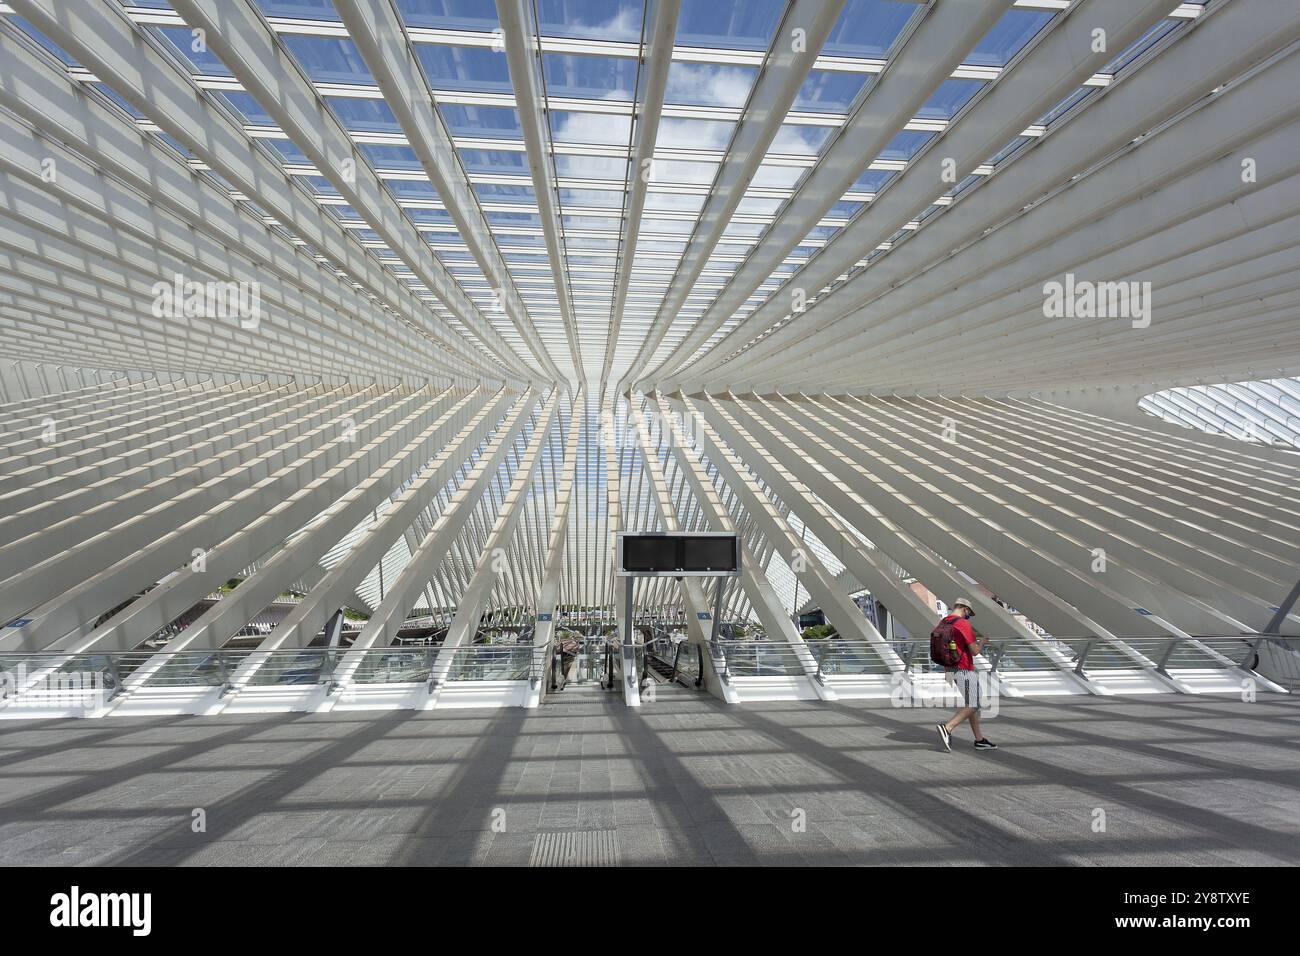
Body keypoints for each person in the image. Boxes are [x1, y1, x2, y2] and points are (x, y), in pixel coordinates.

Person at [935, 598, 998, 752]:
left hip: (951, 668)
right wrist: (982, 641)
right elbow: (975, 651)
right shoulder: (962, 624)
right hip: (963, 668)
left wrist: (947, 670)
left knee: (972, 703)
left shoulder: (944, 622)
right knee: (975, 702)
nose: (968, 615)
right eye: (969, 612)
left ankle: (979, 740)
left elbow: (944, 648)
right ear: (964, 609)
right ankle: (947, 727)